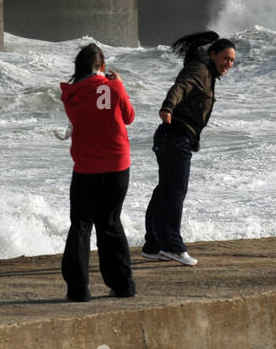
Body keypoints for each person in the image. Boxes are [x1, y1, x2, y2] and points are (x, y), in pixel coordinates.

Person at [142, 31, 237, 266]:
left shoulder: (206, 73)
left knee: (165, 190)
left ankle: (153, 246)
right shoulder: (200, 71)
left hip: (172, 138)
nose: (229, 64)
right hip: (174, 136)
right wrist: (167, 107)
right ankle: (172, 247)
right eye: (226, 58)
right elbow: (180, 87)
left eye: (232, 60)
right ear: (212, 54)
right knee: (174, 191)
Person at [59, 43, 135, 301]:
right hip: (117, 165)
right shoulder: (114, 87)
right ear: (103, 67)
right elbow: (129, 116)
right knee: (110, 222)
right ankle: (123, 286)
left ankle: (79, 289)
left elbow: (77, 116)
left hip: (87, 168)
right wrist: (119, 84)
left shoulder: (71, 94)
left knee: (81, 225)